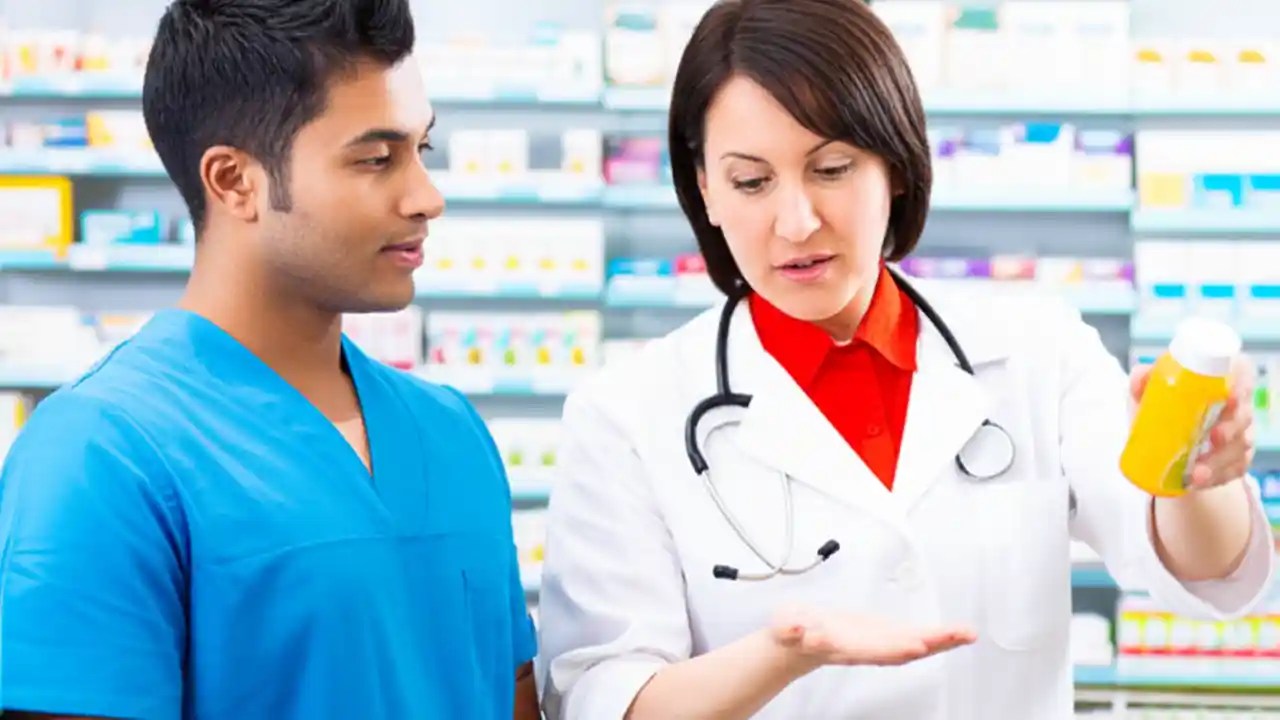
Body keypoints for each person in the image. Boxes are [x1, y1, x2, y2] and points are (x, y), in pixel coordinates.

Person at [534, 1, 1274, 718]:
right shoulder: (626, 415)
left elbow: (1202, 569)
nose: (796, 222)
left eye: (831, 168)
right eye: (752, 181)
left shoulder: (1037, 352)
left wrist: (1198, 473)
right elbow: (604, 699)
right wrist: (782, 656)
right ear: (705, 188)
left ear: (894, 162)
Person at [0, 1, 538, 719]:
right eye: (376, 159)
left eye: (422, 150)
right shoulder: (100, 455)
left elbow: (512, 699)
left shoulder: (452, 433)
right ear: (233, 182)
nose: (426, 197)